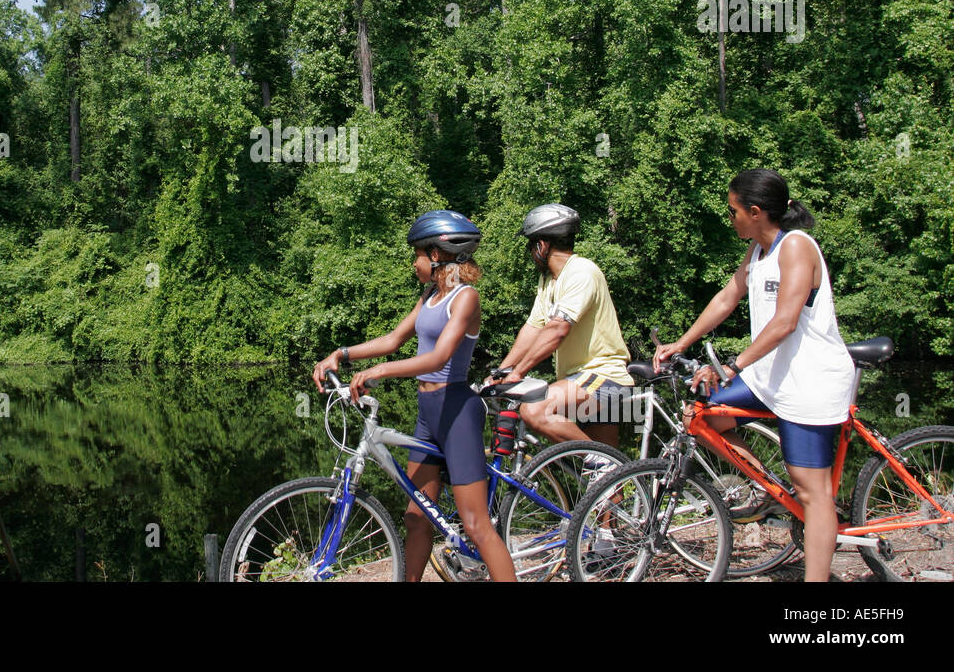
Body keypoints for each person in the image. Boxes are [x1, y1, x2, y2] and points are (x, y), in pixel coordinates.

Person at [653, 168, 854, 583]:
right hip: (770, 378)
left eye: (733, 211)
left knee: (814, 492)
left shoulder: (796, 247)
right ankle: (766, 491)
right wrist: (681, 343)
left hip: (808, 381)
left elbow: (784, 322)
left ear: (757, 212)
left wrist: (732, 365)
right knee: (705, 416)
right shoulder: (759, 251)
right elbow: (729, 296)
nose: (731, 219)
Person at [311, 209, 515, 582]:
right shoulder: (430, 295)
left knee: (475, 524)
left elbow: (438, 358)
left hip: (457, 411)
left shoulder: (465, 299)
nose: (414, 263)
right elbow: (393, 340)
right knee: (416, 516)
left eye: (416, 255)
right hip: (427, 412)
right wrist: (340, 355)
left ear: (436, 255)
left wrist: (380, 372)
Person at [488, 204, 634, 448]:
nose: (530, 252)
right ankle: (609, 473)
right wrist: (501, 372)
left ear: (542, 245)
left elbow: (557, 329)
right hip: (581, 380)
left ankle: (601, 465)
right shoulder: (549, 281)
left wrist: (518, 373)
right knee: (608, 480)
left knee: (534, 410)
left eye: (530, 245)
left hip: (604, 378)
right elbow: (533, 329)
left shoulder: (581, 272)